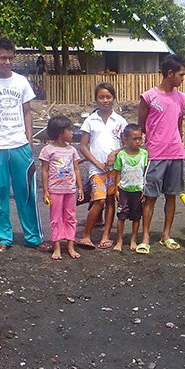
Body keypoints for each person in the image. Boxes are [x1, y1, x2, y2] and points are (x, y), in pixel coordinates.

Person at [0, 37, 46, 254]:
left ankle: (33, 237)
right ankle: (3, 237)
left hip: (19, 144)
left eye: (10, 58)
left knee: (26, 192)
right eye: (3, 58)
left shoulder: (21, 81)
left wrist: (29, 139)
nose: (7, 62)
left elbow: (27, 111)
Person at [137, 54, 185, 254]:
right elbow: (141, 126)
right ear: (170, 73)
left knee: (171, 195)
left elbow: (179, 124)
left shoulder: (181, 97)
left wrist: (178, 143)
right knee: (150, 197)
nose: (183, 78)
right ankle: (146, 236)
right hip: (155, 154)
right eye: (181, 74)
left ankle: (166, 235)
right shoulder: (149, 96)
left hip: (176, 153)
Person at [77, 82, 126, 249]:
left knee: (111, 201)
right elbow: (83, 146)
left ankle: (105, 236)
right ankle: (86, 236)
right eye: (101, 97)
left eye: (108, 97)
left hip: (115, 169)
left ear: (113, 98)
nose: (105, 100)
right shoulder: (90, 120)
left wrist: (114, 153)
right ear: (96, 99)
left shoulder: (120, 121)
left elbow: (128, 144)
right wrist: (96, 162)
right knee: (99, 200)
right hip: (96, 169)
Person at [39, 115, 84, 260]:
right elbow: (44, 170)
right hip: (55, 191)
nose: (72, 133)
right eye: (69, 130)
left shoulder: (72, 150)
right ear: (60, 133)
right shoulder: (48, 150)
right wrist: (46, 190)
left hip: (70, 190)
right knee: (56, 218)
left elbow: (76, 169)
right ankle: (57, 246)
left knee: (71, 217)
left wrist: (80, 187)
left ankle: (70, 246)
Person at [111, 124, 148, 252]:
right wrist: (116, 189)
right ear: (126, 140)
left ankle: (133, 239)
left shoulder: (144, 154)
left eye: (140, 138)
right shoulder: (121, 155)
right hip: (124, 191)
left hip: (138, 191)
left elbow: (145, 173)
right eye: (134, 139)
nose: (138, 141)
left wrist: (144, 188)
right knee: (121, 216)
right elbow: (118, 172)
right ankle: (119, 240)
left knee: (136, 217)